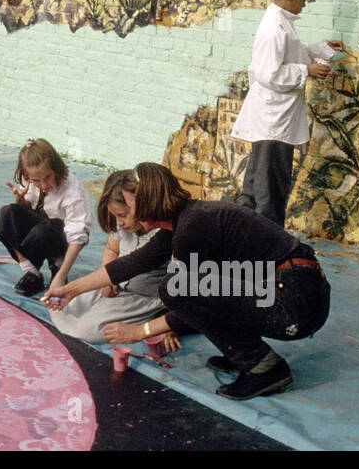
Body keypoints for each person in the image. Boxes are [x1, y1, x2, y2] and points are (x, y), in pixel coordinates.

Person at [44, 163, 330, 401]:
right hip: (294, 292)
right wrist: (68, 290)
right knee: (192, 287)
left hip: (295, 303)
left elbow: (187, 300)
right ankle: (244, 353)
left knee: (175, 289)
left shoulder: (192, 229)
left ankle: (264, 366)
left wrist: (139, 331)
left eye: (125, 211)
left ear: (149, 200)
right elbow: (131, 263)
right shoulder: (184, 221)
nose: (123, 223)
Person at [231, 0, 345, 226]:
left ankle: (248, 236)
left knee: (257, 182)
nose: (304, 5)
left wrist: (323, 49)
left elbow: (290, 55)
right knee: (270, 187)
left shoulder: (281, 23)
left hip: (274, 118)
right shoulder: (274, 29)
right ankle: (268, 244)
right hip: (274, 120)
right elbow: (268, 73)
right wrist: (307, 70)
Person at [48, 169, 193, 350]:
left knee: (89, 329)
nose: (120, 223)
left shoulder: (167, 233)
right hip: (117, 285)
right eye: (115, 216)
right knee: (66, 309)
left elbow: (190, 295)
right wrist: (101, 282)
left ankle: (158, 317)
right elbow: (112, 250)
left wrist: (169, 326)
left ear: (141, 207)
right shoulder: (124, 225)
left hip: (145, 297)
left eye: (123, 215)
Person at [0, 138, 92, 297]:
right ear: (27, 174)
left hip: (62, 237)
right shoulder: (30, 178)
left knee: (44, 230)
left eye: (48, 177)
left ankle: (57, 266)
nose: (44, 185)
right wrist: (20, 201)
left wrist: (61, 275)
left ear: (56, 169)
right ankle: (32, 273)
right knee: (7, 213)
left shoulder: (73, 192)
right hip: (40, 229)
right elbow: (29, 212)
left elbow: (77, 237)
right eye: (36, 180)